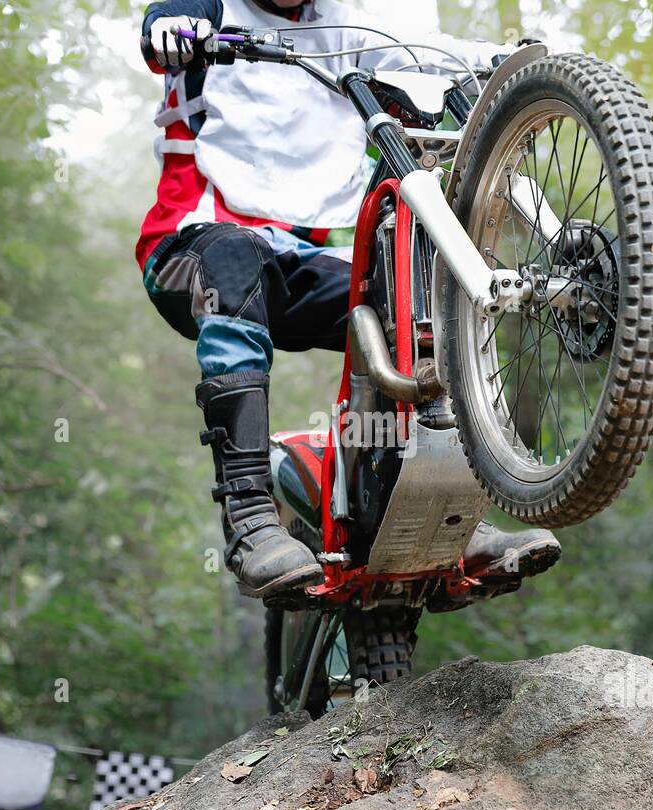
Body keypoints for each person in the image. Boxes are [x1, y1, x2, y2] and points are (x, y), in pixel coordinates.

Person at [138, 0, 560, 598]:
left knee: (412, 295)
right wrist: (173, 30)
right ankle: (250, 521)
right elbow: (163, 22)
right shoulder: (212, 7)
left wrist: (502, 62)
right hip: (190, 254)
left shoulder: (342, 20)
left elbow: (416, 52)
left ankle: (431, 518)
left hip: (299, 261)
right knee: (233, 258)